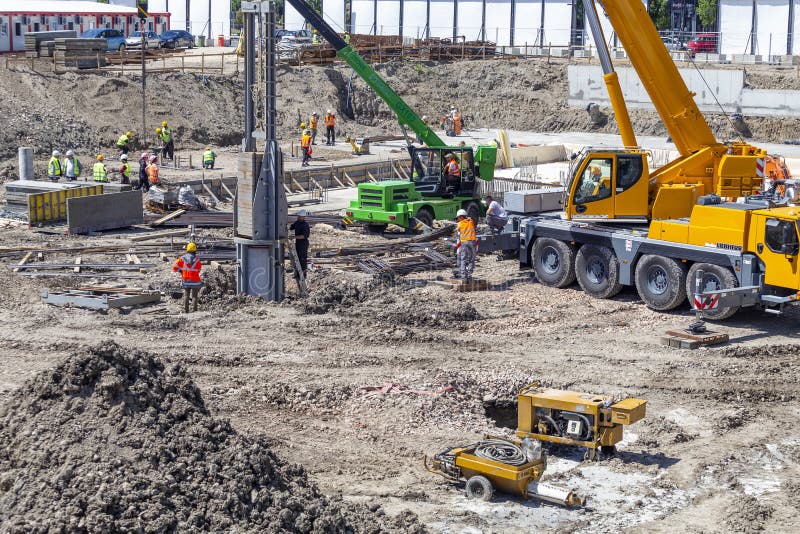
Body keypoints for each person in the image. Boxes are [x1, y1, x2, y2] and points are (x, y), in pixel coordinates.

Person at [172, 242, 203, 313]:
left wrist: (181, 271)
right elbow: (198, 270)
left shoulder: (182, 258)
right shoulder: (197, 259)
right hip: (195, 280)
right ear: (195, 250)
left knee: (186, 295)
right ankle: (194, 311)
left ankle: (186, 311)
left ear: (187, 250)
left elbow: (174, 267)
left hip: (186, 279)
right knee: (194, 296)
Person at [290, 209, 311, 289]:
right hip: (298, 243)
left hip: (303, 243)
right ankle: (298, 274)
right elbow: (291, 227)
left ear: (303, 217)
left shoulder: (305, 225)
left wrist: (294, 237)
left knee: (302, 258)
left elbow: (304, 236)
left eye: (299, 216)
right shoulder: (297, 222)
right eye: (298, 216)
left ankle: (303, 274)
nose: (298, 217)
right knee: (297, 258)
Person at [456, 208, 477, 281]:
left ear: (461, 217)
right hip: (472, 242)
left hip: (464, 243)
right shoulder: (471, 221)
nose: (458, 219)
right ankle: (469, 275)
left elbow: (456, 230)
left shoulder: (459, 224)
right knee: (471, 259)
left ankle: (463, 276)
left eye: (458, 217)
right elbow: (469, 218)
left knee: (463, 259)